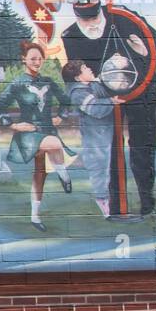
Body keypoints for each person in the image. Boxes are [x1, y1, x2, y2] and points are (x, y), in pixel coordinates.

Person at [60, 0, 156, 218]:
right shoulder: (70, 35)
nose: (90, 25)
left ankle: (147, 203)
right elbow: (79, 72)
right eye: (84, 20)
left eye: (93, 18)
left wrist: (141, 49)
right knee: (110, 151)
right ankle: (116, 208)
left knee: (143, 147)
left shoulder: (124, 17)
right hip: (105, 96)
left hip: (141, 91)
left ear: (100, 10)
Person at [0, 41, 75, 232]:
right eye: (33, 58)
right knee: (55, 145)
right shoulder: (17, 84)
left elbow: (66, 101)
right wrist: (14, 124)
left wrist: (60, 117)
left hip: (48, 129)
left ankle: (35, 217)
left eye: (40, 58)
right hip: (29, 133)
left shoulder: (47, 81)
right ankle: (64, 175)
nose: (37, 62)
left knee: (40, 174)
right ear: (24, 59)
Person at [63, 59, 123, 218]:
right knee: (99, 167)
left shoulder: (93, 84)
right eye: (84, 68)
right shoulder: (77, 93)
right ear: (77, 77)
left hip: (107, 132)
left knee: (109, 166)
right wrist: (111, 101)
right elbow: (96, 109)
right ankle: (103, 202)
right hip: (95, 138)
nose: (89, 69)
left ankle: (110, 201)